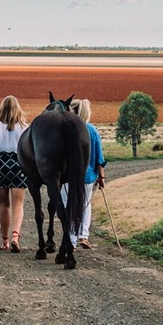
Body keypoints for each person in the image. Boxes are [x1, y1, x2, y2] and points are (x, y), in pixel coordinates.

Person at [60, 98, 106, 249]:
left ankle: (71, 239)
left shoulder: (66, 129)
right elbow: (99, 157)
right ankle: (83, 235)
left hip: (67, 175)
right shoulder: (92, 130)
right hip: (87, 176)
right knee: (85, 204)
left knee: (69, 205)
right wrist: (102, 176)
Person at [0, 95, 28, 252]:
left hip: (1, 166)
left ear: (1, 109)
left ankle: (5, 241)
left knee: (4, 204)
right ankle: (16, 236)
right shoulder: (24, 127)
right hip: (19, 165)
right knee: (18, 204)